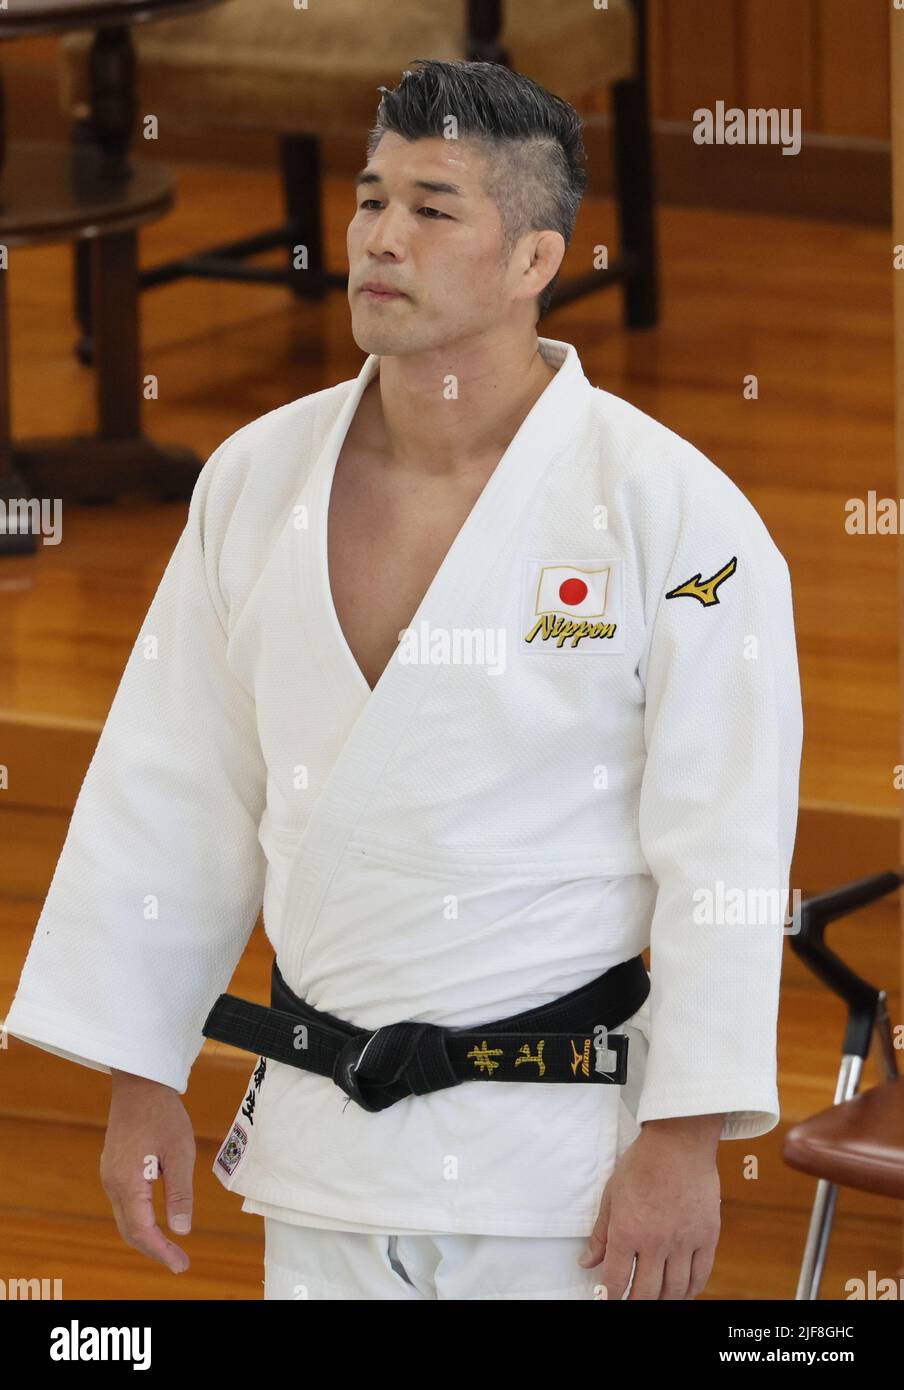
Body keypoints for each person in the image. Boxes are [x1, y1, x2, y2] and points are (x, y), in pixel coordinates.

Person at [3, 59, 803, 1301]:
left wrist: (684, 1133)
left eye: (432, 209)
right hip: (321, 1143)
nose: (379, 236)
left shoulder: (675, 516)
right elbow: (171, 793)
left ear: (535, 260)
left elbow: (726, 848)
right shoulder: (256, 479)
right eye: (371, 198)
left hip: (559, 1169)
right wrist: (140, 1072)